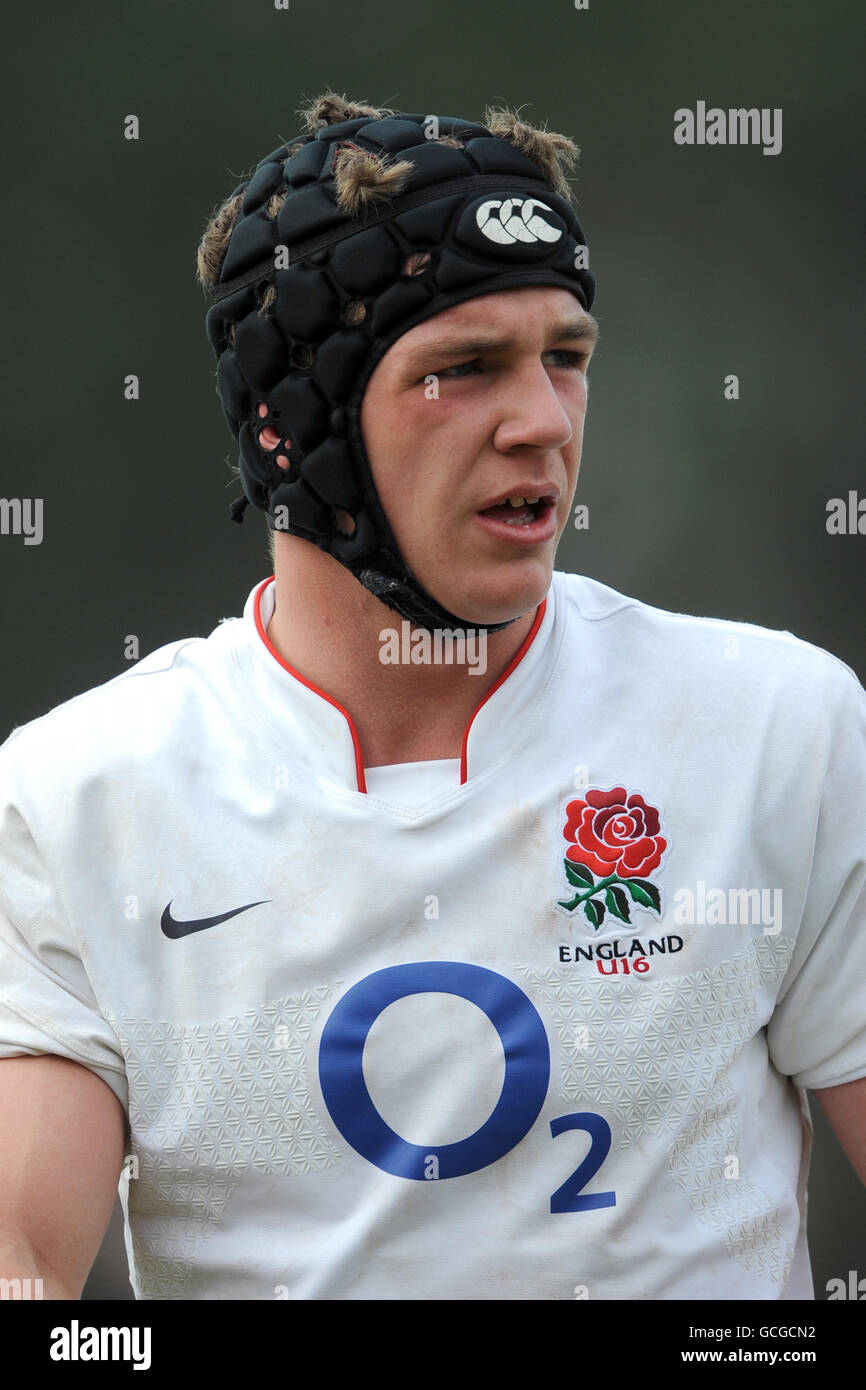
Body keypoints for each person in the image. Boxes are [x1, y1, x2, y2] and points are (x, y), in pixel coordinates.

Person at [0, 92, 863, 1302]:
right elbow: (24, 1268)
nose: (541, 423)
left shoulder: (782, 722)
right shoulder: (77, 791)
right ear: (289, 426)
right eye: (462, 370)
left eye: (565, 358)